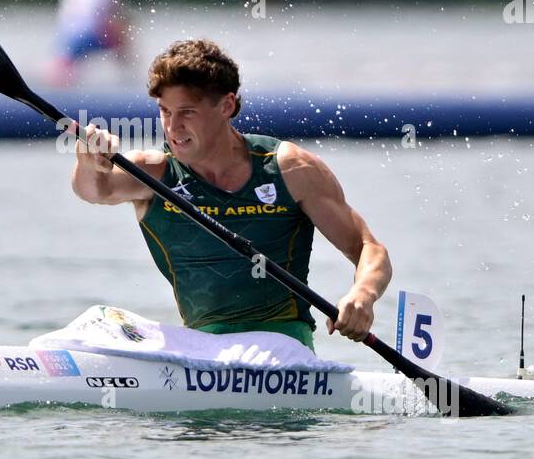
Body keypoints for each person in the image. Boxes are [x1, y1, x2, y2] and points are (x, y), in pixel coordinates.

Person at [69, 39, 391, 346]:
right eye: (165, 111)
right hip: (201, 348)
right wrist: (88, 159)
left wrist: (362, 295)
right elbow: (95, 189)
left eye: (187, 112)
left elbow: (367, 247)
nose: (172, 127)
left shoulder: (291, 170)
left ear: (227, 105)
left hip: (282, 343)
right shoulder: (153, 173)